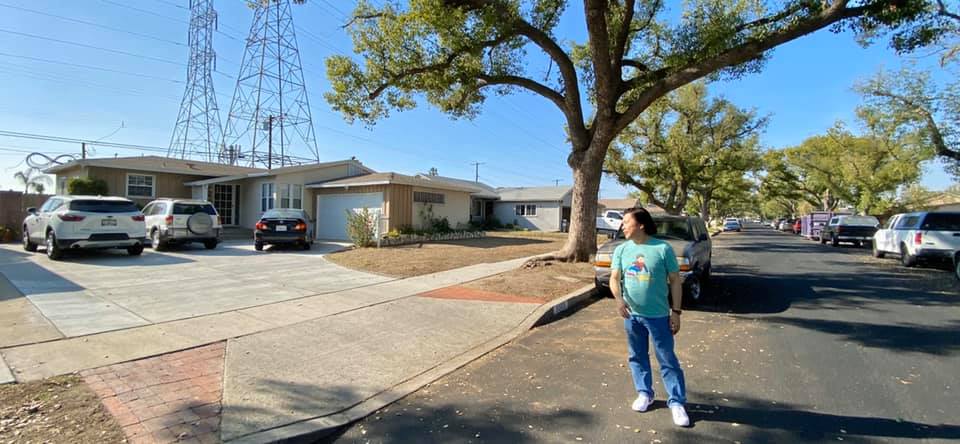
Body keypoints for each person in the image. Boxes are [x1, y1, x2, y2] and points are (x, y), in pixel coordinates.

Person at [610, 207, 689, 427]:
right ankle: (645, 393)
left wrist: (676, 312)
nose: (622, 226)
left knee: (667, 359)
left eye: (626, 222)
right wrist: (618, 299)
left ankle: (677, 402)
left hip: (658, 316)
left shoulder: (662, 249)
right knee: (637, 356)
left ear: (641, 224)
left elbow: (675, 281)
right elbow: (614, 279)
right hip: (631, 316)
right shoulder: (622, 250)